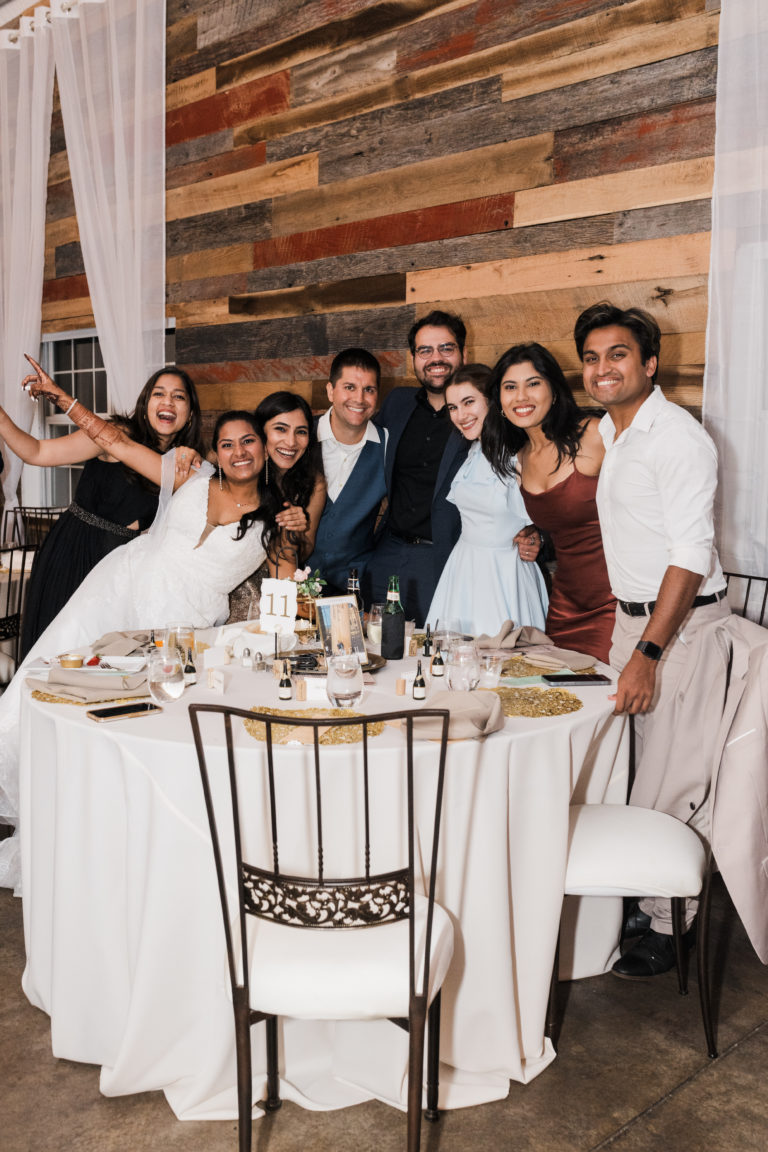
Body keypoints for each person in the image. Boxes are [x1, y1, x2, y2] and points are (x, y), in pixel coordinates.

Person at [0, 359, 301, 890]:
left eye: (248, 441)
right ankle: (53, 820)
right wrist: (60, 397)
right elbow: (112, 441)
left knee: (131, 730)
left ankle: (120, 841)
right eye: (227, 443)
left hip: (178, 627)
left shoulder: (278, 521)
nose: (238, 451)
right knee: (50, 687)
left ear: (266, 449)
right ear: (215, 450)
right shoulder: (188, 473)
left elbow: (282, 600)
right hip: (116, 588)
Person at [575, 301, 729, 978]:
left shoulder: (677, 437)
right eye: (591, 356)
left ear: (649, 364)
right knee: (636, 767)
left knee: (675, 776)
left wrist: (648, 653)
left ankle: (672, 927)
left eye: (617, 355)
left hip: (683, 626)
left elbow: (689, 556)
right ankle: (645, 898)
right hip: (634, 619)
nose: (602, 368)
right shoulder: (616, 431)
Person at [0, 366, 205, 658]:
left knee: (107, 662)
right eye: (159, 394)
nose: (168, 402)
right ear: (145, 403)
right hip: (75, 552)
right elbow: (36, 452)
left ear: (190, 412)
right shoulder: (117, 434)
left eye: (178, 397)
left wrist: (191, 454)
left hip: (123, 568)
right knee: (62, 655)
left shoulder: (185, 462)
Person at [491, 342, 615, 662]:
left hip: (615, 603)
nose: (521, 396)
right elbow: (564, 519)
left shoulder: (594, 434)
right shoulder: (519, 459)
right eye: (510, 387)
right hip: (564, 605)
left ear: (554, 390)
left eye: (533, 384)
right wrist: (537, 535)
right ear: (500, 400)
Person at [425, 364, 548, 636]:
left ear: (493, 402)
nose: (460, 415)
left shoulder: (520, 456)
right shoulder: (472, 451)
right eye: (453, 408)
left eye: (468, 402)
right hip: (462, 570)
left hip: (504, 574)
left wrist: (536, 533)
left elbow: (551, 513)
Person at [367, 310, 471, 625]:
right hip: (388, 551)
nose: (435, 358)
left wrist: (534, 533)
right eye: (425, 351)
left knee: (432, 656)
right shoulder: (398, 403)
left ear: (464, 353)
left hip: (444, 557)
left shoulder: (483, 411)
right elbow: (352, 435)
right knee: (377, 645)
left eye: (446, 348)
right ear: (413, 358)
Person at [305, 348, 387, 598]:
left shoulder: (389, 446)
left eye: (369, 390)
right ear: (330, 391)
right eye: (349, 387)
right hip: (296, 579)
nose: (359, 399)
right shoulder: (300, 434)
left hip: (355, 587)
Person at [254, 391, 327, 573]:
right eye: (281, 429)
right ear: (259, 430)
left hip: (280, 580)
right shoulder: (243, 468)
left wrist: (296, 531)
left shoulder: (314, 482)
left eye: (301, 432)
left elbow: (305, 551)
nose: (291, 442)